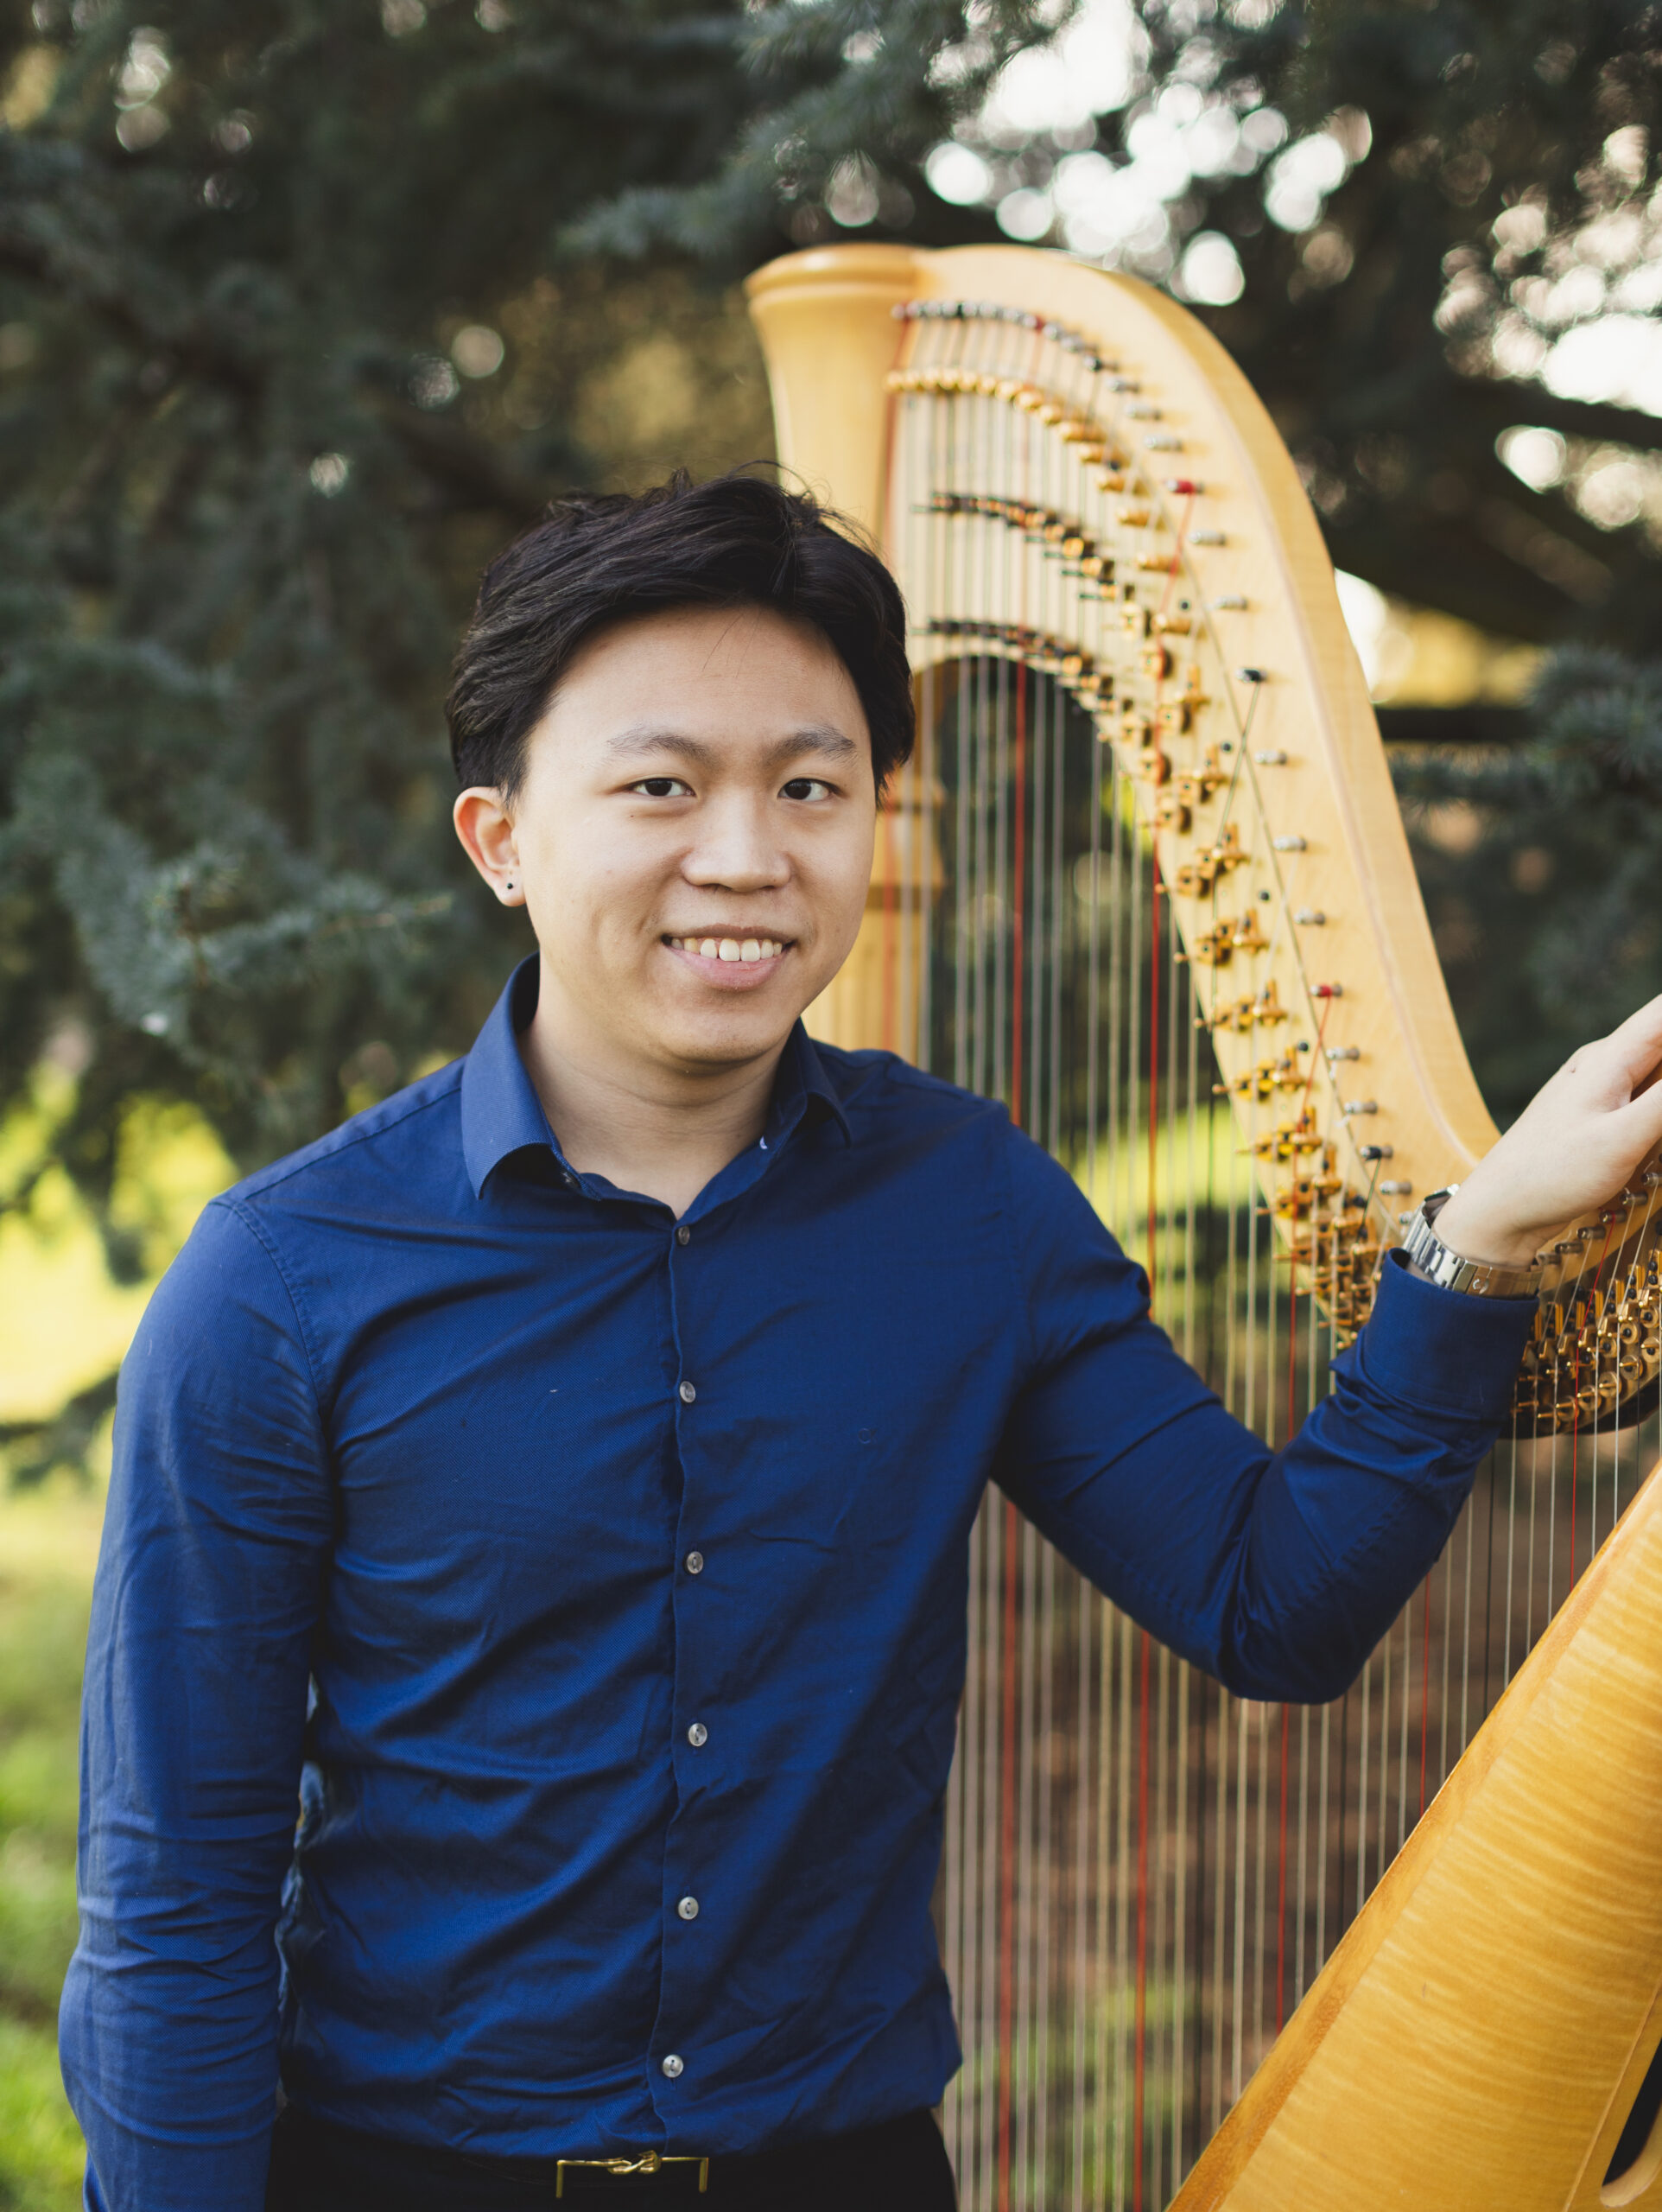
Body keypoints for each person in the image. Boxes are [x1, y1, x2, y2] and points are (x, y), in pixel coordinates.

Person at [58, 472, 1662, 2212]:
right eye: (660, 784)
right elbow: (174, 1894)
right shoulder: (282, 1278)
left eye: (809, 785)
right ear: (499, 836)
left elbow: (1269, 1597)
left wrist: (1476, 1240)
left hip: (838, 2173)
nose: (744, 854)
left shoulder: (966, 1209)